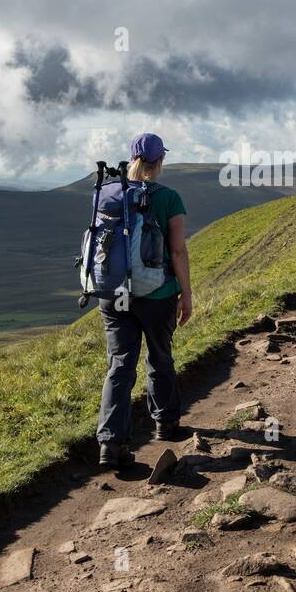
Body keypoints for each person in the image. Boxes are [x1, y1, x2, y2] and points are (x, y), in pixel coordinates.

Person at [96, 133, 194, 468]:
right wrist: (187, 294)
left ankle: (110, 445)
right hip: (157, 294)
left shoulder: (108, 193)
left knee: (120, 366)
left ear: (133, 159)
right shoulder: (169, 197)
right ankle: (166, 425)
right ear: (159, 161)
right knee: (160, 355)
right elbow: (178, 250)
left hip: (113, 293)